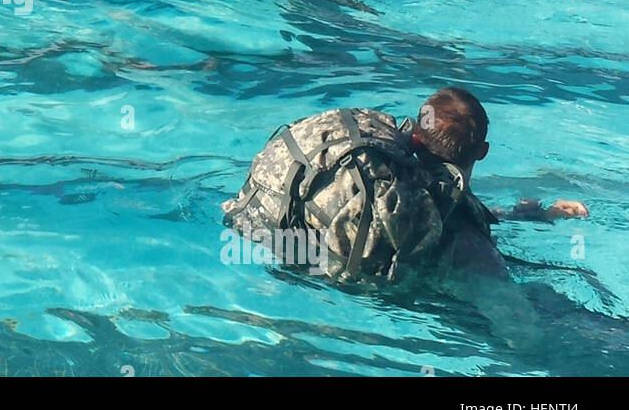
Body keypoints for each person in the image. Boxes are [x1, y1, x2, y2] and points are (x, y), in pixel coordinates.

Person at [221, 87, 589, 284]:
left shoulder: (374, 163)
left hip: (258, 225)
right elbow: (517, 326)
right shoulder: (449, 228)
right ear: (484, 152)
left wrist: (530, 215)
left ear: (412, 137)